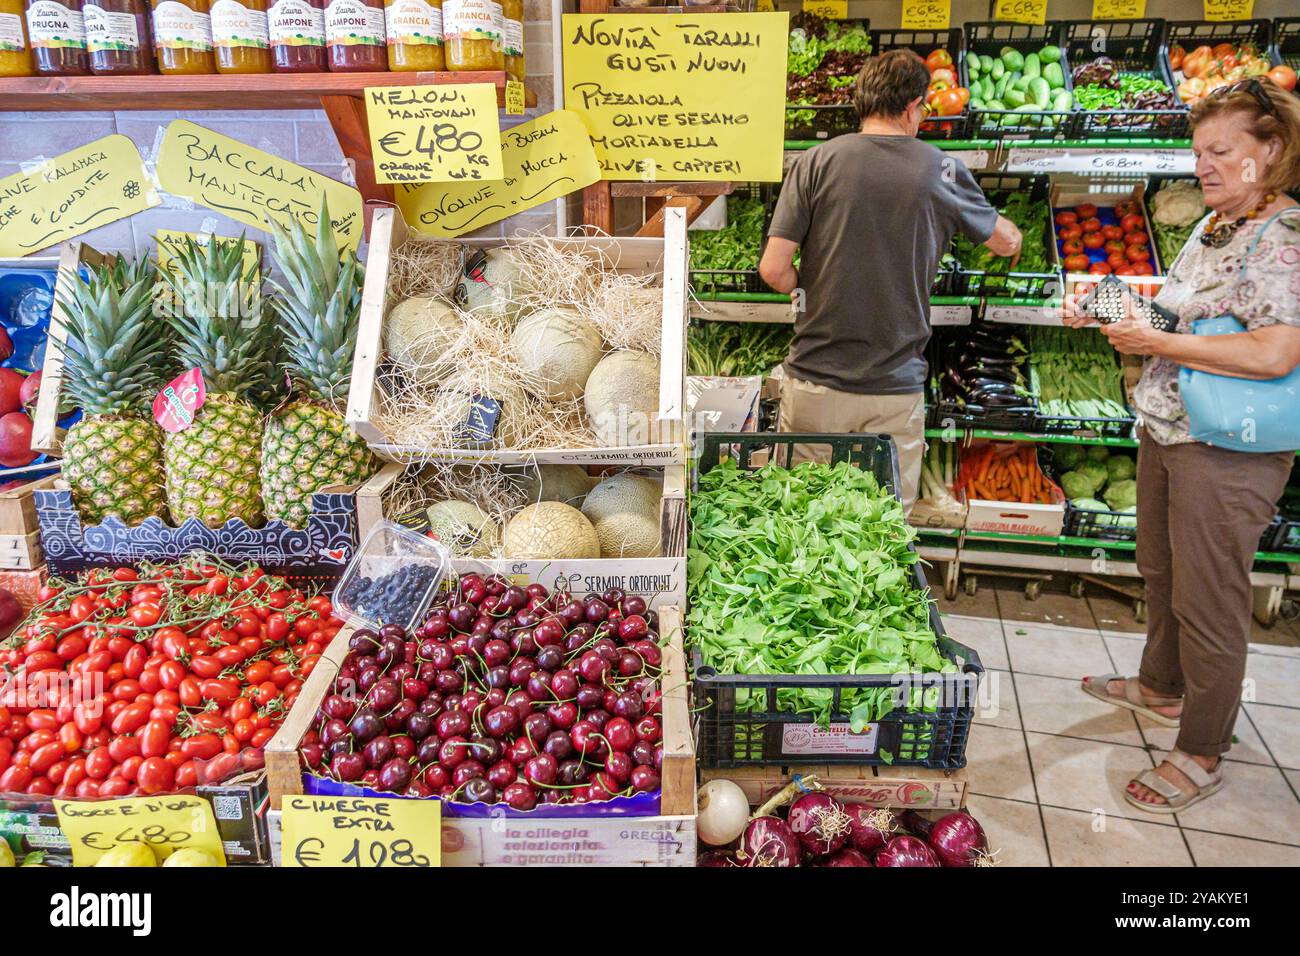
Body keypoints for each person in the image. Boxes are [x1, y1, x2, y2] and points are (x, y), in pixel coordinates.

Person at [1073, 78, 1300, 814]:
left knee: (1210, 599)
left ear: (1270, 151)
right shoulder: (1216, 227)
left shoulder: (1284, 237)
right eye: (1198, 151)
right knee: (1162, 570)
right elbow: (1185, 313)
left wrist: (1155, 339)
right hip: (1170, 428)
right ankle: (1159, 688)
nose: (1202, 165)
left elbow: (1274, 353)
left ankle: (1202, 749)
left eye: (1220, 151)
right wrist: (1110, 306)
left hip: (1227, 447)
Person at [759, 49, 1022, 506]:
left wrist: (808, 286)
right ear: (911, 107)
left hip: (815, 382)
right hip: (894, 386)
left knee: (803, 521)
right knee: (883, 529)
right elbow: (1005, 243)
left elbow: (773, 268)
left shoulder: (815, 161)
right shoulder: (941, 168)